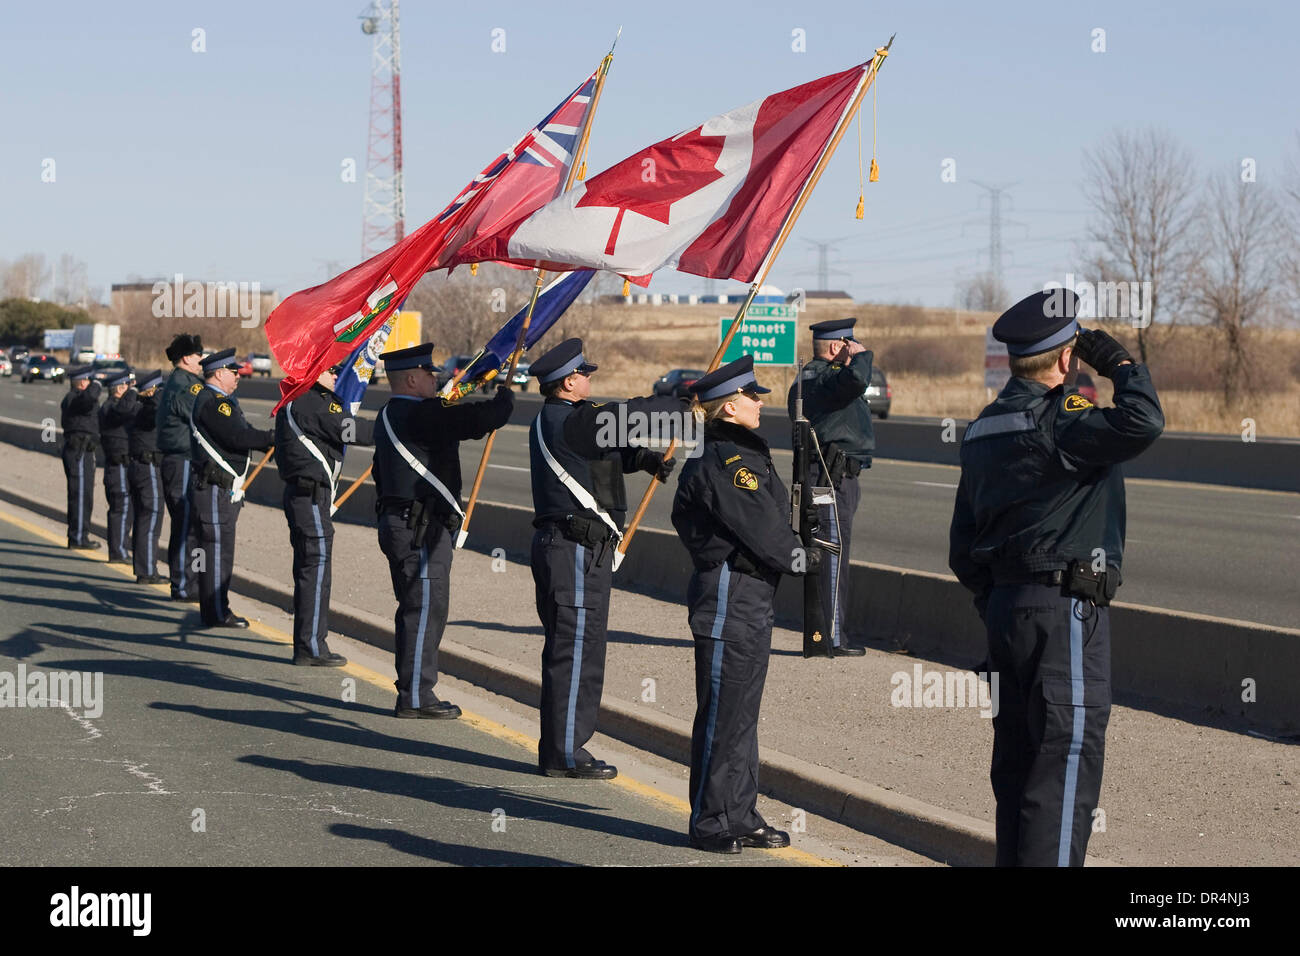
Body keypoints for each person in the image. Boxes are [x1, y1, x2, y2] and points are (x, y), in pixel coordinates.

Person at [948, 290, 1163, 867]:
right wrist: (1117, 361)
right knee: (1064, 768)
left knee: (1017, 771)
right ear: (1066, 360)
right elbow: (1144, 421)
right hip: (1064, 612)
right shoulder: (1062, 418)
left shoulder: (983, 428)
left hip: (1006, 612)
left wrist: (1001, 600)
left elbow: (963, 549)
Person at [672, 355, 811, 854]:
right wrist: (806, 559)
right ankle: (711, 821)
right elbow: (765, 530)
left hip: (750, 596)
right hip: (731, 593)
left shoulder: (741, 452)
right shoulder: (727, 461)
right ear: (729, 407)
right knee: (722, 715)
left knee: (741, 715)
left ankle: (740, 813)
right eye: (752, 397)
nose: (758, 403)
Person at [528, 338, 681, 780]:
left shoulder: (564, 420)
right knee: (575, 651)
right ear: (569, 381)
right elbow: (624, 416)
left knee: (578, 648)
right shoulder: (575, 419)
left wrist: (644, 459)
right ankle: (564, 753)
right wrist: (681, 403)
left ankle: (563, 746)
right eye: (585, 374)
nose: (590, 379)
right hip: (574, 549)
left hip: (576, 550)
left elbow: (601, 456)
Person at [372, 343, 513, 718]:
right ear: (413, 378)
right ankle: (416, 696)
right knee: (424, 610)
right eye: (429, 375)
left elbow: (378, 471)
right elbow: (471, 421)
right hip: (420, 529)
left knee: (417, 607)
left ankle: (414, 690)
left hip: (400, 522)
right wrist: (503, 401)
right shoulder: (418, 415)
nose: (435, 380)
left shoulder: (389, 414)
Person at [274, 362, 375, 666]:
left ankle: (309, 642)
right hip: (310, 498)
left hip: (305, 496)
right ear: (312, 371)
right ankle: (311, 647)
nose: (336, 375)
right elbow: (354, 431)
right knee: (315, 571)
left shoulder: (298, 399)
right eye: (331, 369)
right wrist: (394, 421)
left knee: (309, 570)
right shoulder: (312, 403)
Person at [785, 317, 873, 656]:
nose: (855, 350)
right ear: (837, 347)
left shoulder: (815, 379)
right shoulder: (824, 378)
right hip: (829, 478)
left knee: (829, 552)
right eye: (851, 345)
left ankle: (826, 635)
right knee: (832, 554)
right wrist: (863, 356)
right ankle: (830, 638)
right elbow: (857, 379)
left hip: (830, 476)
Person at [189, 348, 274, 629]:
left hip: (222, 488)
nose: (237, 377)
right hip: (214, 488)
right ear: (220, 373)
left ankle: (217, 607)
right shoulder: (214, 403)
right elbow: (238, 436)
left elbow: (242, 432)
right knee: (215, 551)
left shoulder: (222, 400)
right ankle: (215, 612)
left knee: (221, 550)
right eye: (234, 372)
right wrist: (272, 438)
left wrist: (266, 441)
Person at [156, 334, 205, 602]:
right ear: (187, 357)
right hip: (182, 460)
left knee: (186, 524)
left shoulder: (180, 381)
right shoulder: (186, 385)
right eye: (198, 355)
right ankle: (183, 584)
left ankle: (186, 582)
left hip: (180, 460)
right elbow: (198, 414)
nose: (201, 360)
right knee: (186, 524)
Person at [123, 368, 167, 584]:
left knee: (144, 518)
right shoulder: (145, 409)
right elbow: (158, 408)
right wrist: (159, 393)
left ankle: (144, 568)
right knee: (151, 516)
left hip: (140, 466)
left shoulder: (136, 407)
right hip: (147, 466)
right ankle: (147, 570)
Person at [60, 366, 102, 550]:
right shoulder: (73, 398)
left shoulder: (79, 398)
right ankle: (78, 537)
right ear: (81, 381)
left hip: (85, 451)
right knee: (80, 496)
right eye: (87, 380)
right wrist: (98, 383)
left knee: (86, 496)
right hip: (78, 451)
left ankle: (80, 534)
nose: (89, 384)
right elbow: (88, 399)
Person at [98, 368, 136, 564]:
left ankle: (121, 548)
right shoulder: (110, 408)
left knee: (127, 509)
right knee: (120, 508)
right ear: (119, 389)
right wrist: (133, 391)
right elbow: (125, 409)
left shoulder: (115, 406)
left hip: (125, 465)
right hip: (117, 466)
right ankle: (117, 551)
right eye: (126, 386)